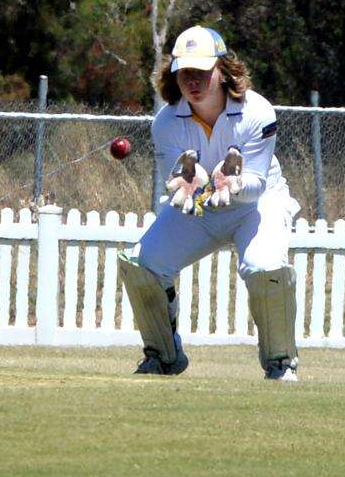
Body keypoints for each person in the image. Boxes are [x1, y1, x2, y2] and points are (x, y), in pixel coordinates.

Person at [118, 25, 301, 381]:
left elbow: (257, 184)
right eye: (185, 73)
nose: (194, 81)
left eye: (202, 71)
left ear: (223, 69)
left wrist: (233, 183)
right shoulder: (167, 122)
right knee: (141, 263)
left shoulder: (258, 113)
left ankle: (280, 362)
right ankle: (163, 356)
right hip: (202, 208)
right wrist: (187, 185)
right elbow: (180, 180)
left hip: (257, 204)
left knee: (265, 268)